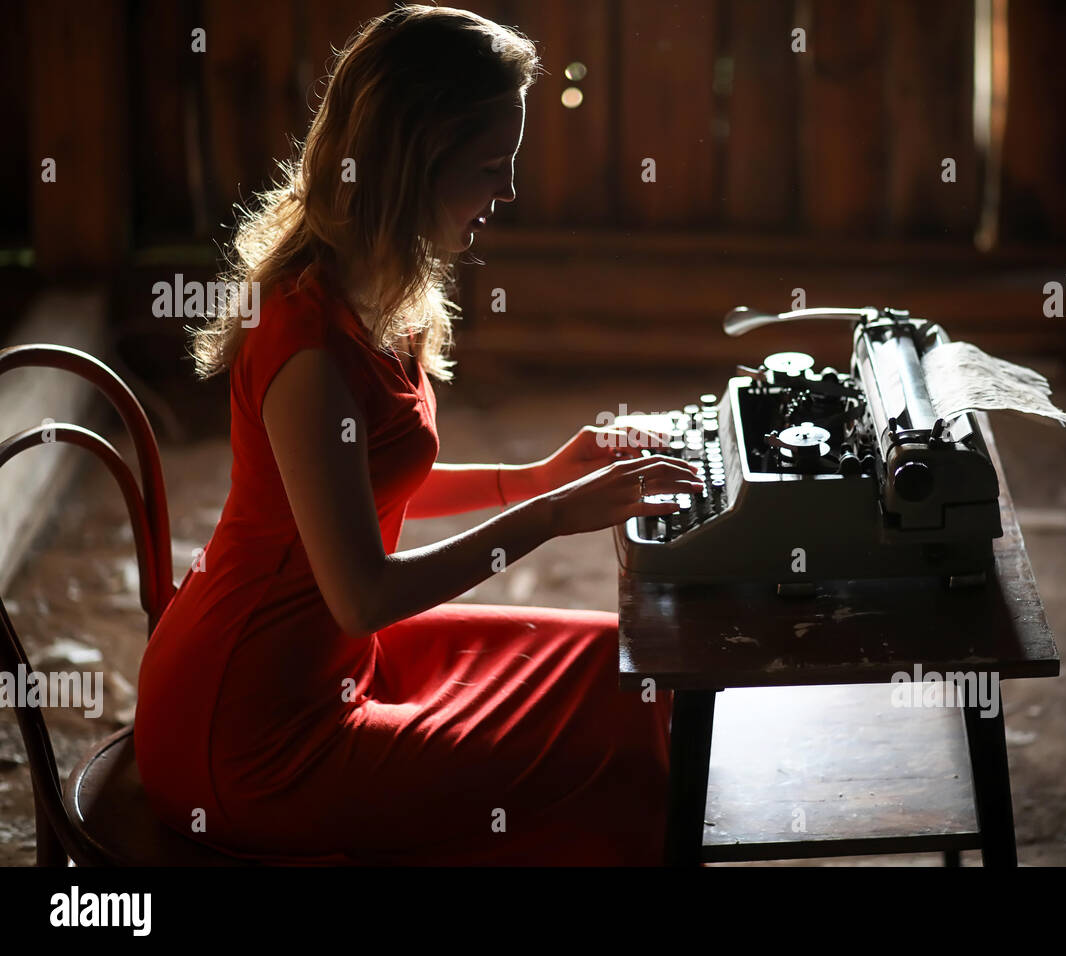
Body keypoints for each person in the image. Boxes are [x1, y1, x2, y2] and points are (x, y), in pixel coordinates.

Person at [134, 4, 703, 866]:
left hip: (331, 661)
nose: (507, 193)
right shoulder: (308, 346)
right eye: (489, 168)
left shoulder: (374, 290)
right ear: (412, 164)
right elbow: (361, 594)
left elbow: (365, 486)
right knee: (611, 768)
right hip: (252, 729)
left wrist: (538, 477)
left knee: (629, 669)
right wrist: (550, 518)